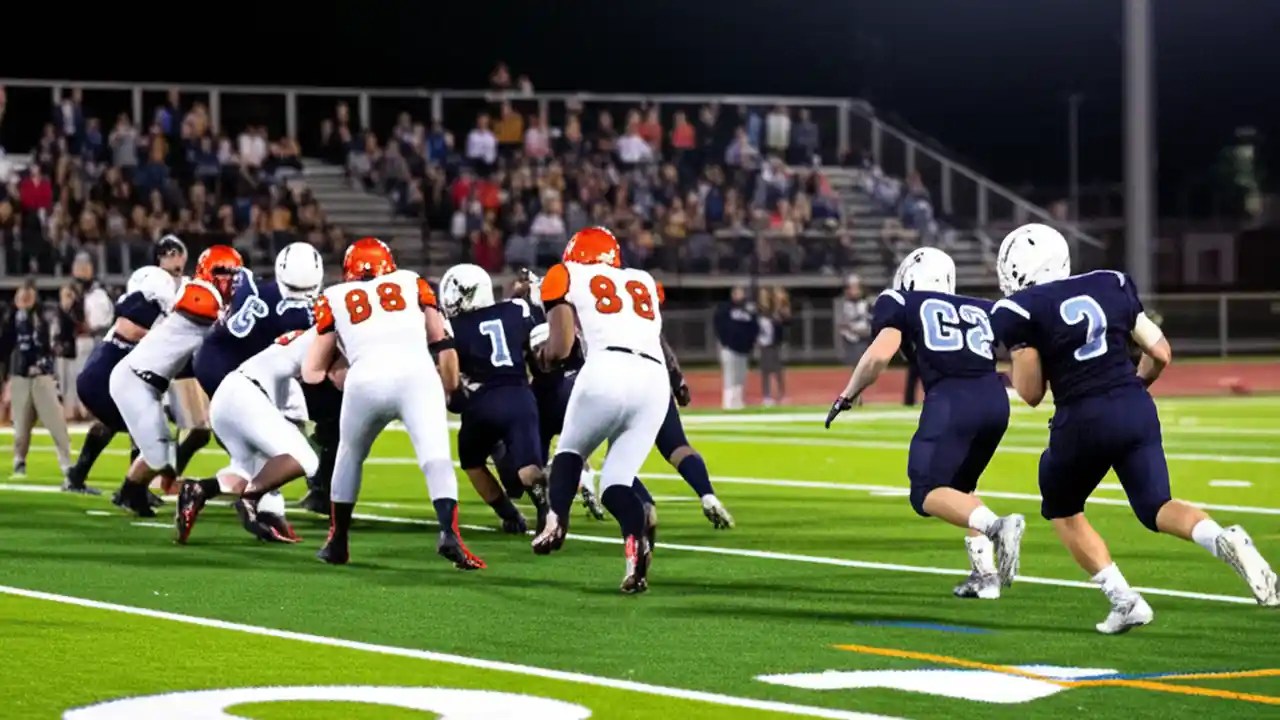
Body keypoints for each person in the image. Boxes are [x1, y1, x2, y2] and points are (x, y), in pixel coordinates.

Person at [990, 223, 1279, 633]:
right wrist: (1133, 387)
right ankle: (1222, 537)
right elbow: (1160, 352)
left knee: (1062, 508)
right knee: (1156, 505)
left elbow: (1032, 393)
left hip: (1083, 417)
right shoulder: (1111, 283)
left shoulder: (1018, 310)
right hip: (1135, 406)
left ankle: (1124, 600)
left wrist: (1018, 365)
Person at [826, 248, 1023, 600]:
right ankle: (986, 575)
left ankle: (997, 527)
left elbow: (880, 353)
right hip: (996, 400)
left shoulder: (900, 300)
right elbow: (1025, 349)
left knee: (925, 491)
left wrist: (849, 393)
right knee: (960, 488)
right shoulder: (983, 306)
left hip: (951, 400)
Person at [302, 237, 483, 570]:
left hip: (366, 378)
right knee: (435, 458)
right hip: (416, 374)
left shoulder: (332, 296)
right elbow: (439, 338)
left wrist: (337, 373)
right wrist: (451, 386)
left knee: (349, 456)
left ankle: (337, 541)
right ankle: (449, 533)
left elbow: (311, 371)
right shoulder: (412, 281)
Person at [532, 226, 669, 593]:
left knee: (570, 452)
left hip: (607, 368)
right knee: (615, 484)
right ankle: (633, 558)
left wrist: (542, 357)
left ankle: (555, 522)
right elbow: (655, 338)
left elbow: (560, 348)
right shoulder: (642, 279)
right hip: (655, 380)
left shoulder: (565, 273)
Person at [108, 246, 244, 517]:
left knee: (163, 452)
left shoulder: (217, 300)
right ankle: (129, 492)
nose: (227, 279)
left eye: (232, 274)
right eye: (222, 272)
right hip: (133, 380)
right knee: (161, 455)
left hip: (150, 384)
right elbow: (208, 313)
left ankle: (129, 493)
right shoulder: (197, 293)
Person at [192, 242, 326, 512]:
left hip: (219, 362)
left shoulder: (255, 287)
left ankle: (214, 489)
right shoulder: (301, 313)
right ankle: (258, 501)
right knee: (281, 446)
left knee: (255, 451)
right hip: (240, 375)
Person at [175, 327, 322, 545]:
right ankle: (250, 501)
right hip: (247, 397)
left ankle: (200, 489)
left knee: (250, 471)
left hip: (227, 395)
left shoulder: (287, 350)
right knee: (306, 459)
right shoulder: (318, 348)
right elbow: (297, 423)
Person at [438, 263, 544, 533]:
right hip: (520, 395)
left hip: (482, 402)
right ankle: (548, 510)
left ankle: (510, 516)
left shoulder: (451, 325)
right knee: (528, 468)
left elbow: (450, 381)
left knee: (472, 461)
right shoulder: (516, 309)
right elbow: (539, 332)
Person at [65, 267, 176, 494]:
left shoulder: (144, 306)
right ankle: (134, 489)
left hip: (99, 378)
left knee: (112, 424)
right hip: (102, 377)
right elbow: (128, 328)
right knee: (144, 427)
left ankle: (76, 476)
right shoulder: (141, 303)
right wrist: (161, 338)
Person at [0, 280, 73, 479]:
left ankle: (67, 465)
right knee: (21, 426)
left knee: (56, 423)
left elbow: (60, 332)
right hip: (20, 377)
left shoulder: (45, 316)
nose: (23, 301)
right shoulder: (10, 318)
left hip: (43, 377)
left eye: (27, 297)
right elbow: (5, 349)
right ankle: (19, 462)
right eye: (20, 297)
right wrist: (6, 379)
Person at [713, 286, 756, 410]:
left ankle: (738, 402)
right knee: (730, 376)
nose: (740, 296)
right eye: (737, 293)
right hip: (729, 348)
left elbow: (754, 327)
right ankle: (728, 403)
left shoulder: (748, 310)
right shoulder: (725, 309)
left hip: (743, 349)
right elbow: (718, 324)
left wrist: (750, 344)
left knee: (741, 377)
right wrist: (725, 341)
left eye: (741, 293)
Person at [757, 287, 790, 406]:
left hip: (774, 344)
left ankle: (782, 395)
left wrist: (782, 303)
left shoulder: (774, 311)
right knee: (765, 371)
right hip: (764, 344)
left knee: (778, 370)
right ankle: (767, 396)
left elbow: (785, 321)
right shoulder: (758, 311)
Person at [837, 274, 872, 376]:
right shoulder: (844, 305)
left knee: (862, 365)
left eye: (855, 288)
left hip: (863, 337)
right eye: (850, 288)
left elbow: (869, 322)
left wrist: (864, 331)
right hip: (850, 338)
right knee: (854, 365)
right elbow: (842, 323)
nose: (852, 291)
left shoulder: (866, 304)